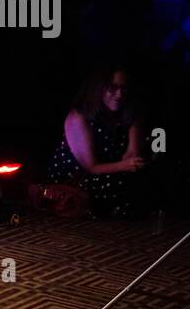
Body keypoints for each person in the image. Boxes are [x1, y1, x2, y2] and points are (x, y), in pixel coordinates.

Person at [46, 65, 149, 218]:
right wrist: (125, 166)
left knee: (144, 179)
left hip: (113, 170)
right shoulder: (80, 117)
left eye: (123, 88)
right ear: (99, 89)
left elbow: (131, 152)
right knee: (116, 187)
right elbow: (91, 167)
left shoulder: (129, 113)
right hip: (78, 177)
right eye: (112, 88)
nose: (119, 94)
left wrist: (134, 161)